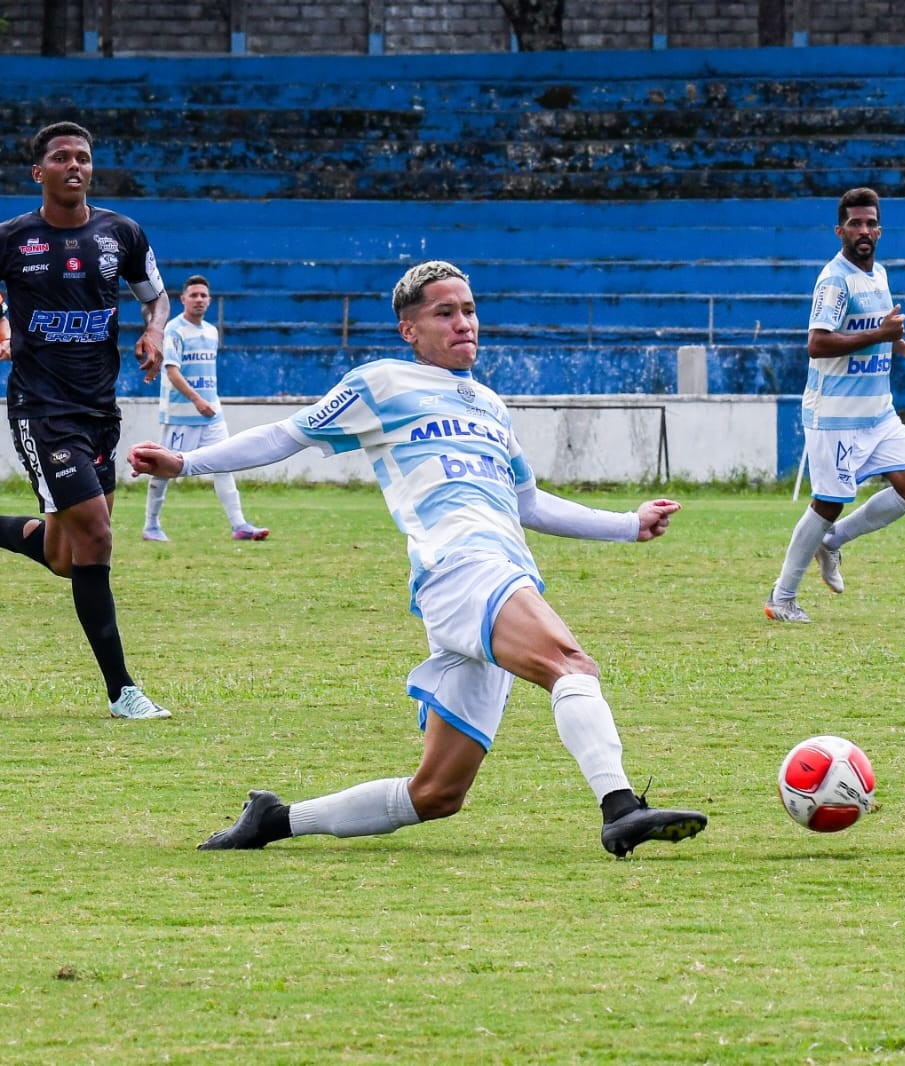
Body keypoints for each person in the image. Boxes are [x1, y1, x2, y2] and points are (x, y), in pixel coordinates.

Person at [130, 260, 708, 858]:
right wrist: (188, 463)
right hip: (462, 567)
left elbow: (527, 503)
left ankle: (274, 819)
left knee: (436, 794)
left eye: (470, 310)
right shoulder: (380, 383)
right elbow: (287, 433)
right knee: (570, 664)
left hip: (488, 573)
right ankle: (620, 809)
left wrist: (626, 524)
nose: (465, 324)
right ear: (409, 330)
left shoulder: (488, 404)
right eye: (445, 313)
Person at [0, 120, 173, 721]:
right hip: (41, 412)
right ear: (38, 172)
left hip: (100, 410)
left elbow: (155, 294)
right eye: (62, 157)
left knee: (64, 557)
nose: (76, 165)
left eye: (84, 157)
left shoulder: (120, 233)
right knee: (97, 537)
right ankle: (122, 691)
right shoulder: (12, 238)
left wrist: (154, 329)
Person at [763, 187, 905, 623]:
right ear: (840, 230)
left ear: (880, 229)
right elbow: (818, 343)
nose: (864, 231)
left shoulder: (877, 274)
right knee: (828, 502)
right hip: (836, 415)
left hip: (877, 410)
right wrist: (880, 336)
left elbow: (877, 330)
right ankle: (781, 598)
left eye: (871, 223)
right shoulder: (834, 280)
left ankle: (833, 541)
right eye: (855, 224)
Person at [141, 274, 269, 542]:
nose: (199, 300)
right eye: (194, 295)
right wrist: (197, 400)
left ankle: (239, 525)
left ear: (210, 301)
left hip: (212, 415)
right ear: (183, 299)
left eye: (203, 296)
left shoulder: (211, 331)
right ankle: (151, 525)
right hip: (181, 415)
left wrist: (208, 403)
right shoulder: (174, 330)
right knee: (164, 468)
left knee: (224, 465)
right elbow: (172, 372)